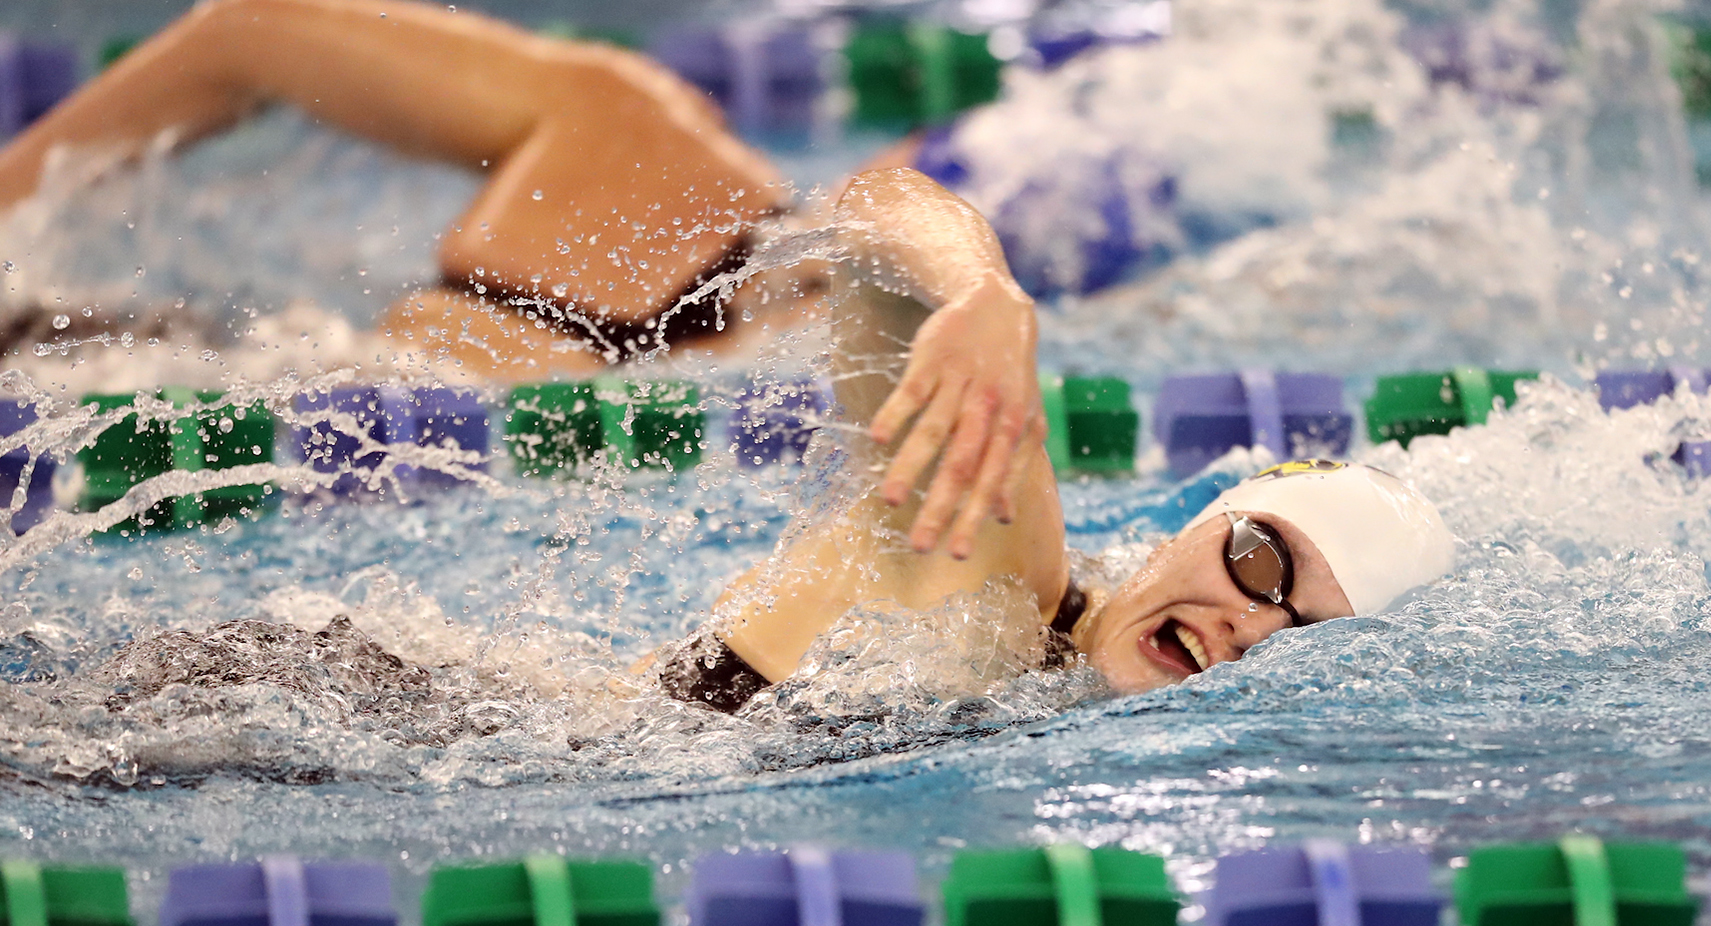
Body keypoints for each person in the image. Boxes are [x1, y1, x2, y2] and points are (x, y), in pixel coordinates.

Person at [0, 0, 1457, 708]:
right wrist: (988, 297)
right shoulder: (979, 508)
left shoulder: (1004, 594)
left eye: (1303, 634)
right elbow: (887, 213)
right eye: (1266, 566)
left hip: (330, 659)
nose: (1258, 627)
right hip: (196, 483)